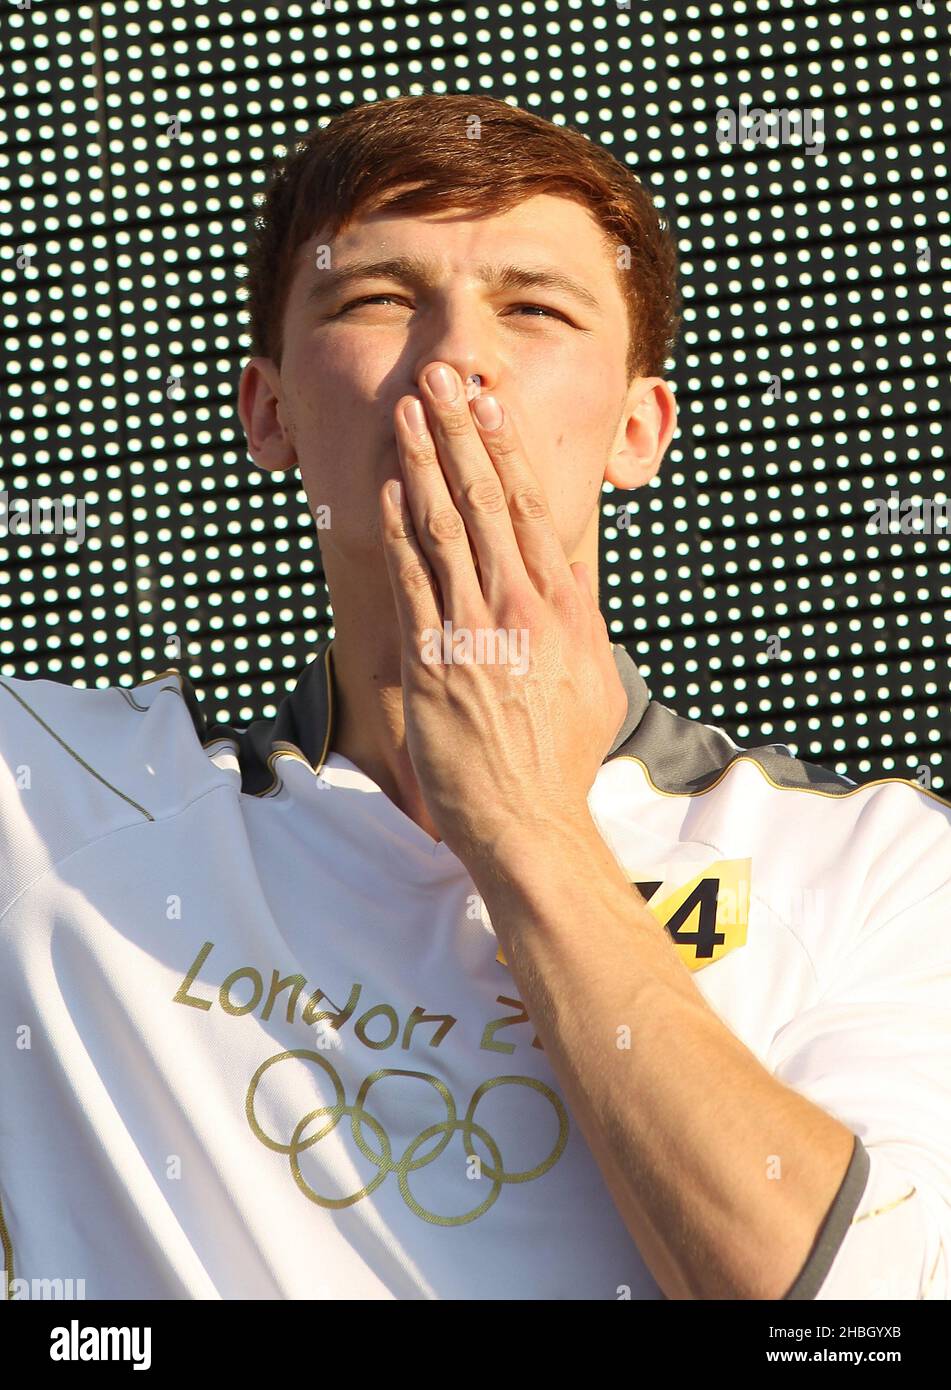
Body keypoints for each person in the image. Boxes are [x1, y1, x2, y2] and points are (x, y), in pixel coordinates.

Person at [1, 93, 948, 1302]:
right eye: (377, 297)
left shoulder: (875, 865)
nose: (454, 359)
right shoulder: (50, 804)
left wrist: (526, 824)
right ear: (270, 409)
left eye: (535, 308)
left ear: (639, 428)